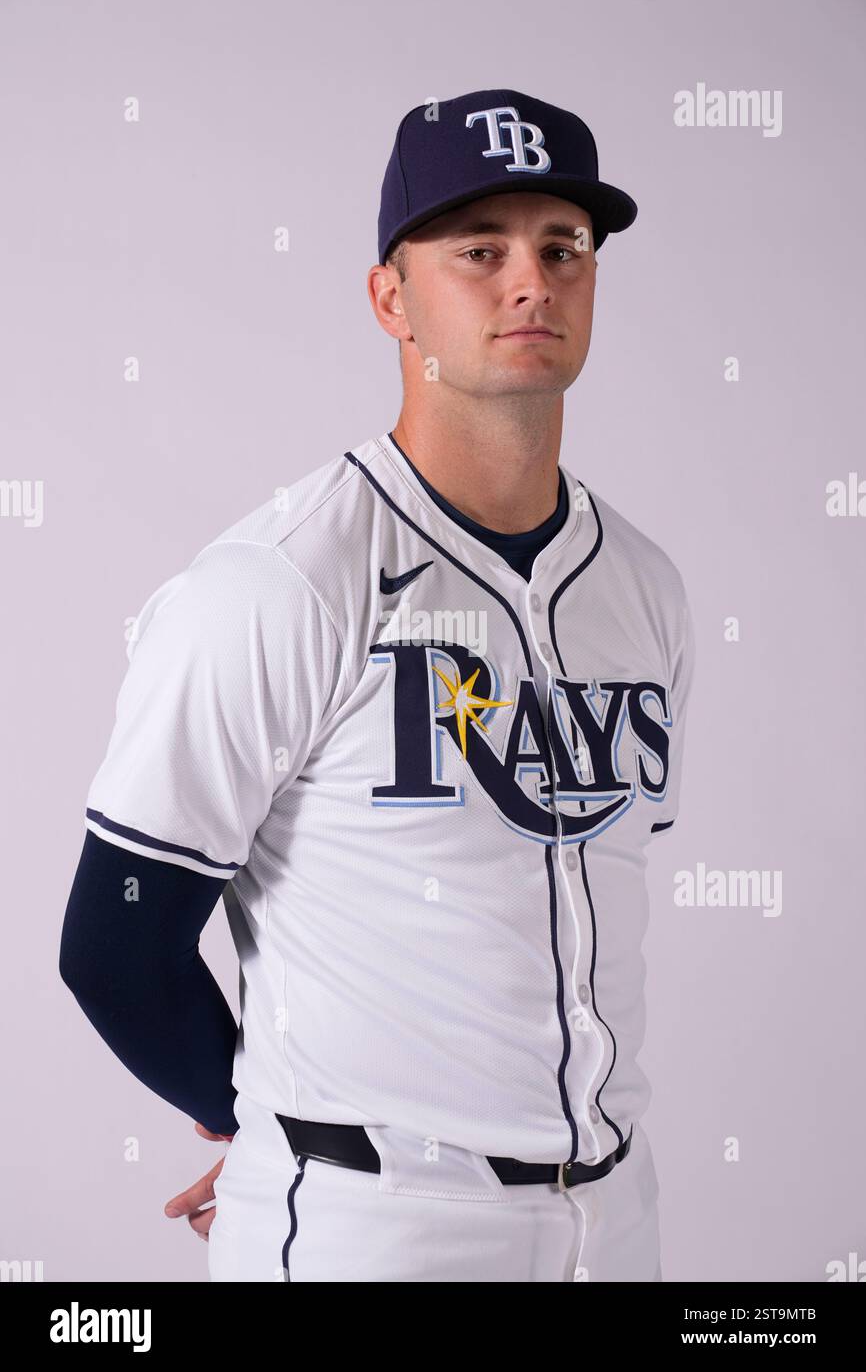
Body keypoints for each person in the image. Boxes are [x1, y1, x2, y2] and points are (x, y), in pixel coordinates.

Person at [59, 87, 696, 1282]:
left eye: (563, 247)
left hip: (617, 1215)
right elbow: (115, 943)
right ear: (390, 298)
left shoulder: (643, 585)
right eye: (479, 250)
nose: (531, 281)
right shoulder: (282, 580)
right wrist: (269, 1126)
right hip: (373, 1227)